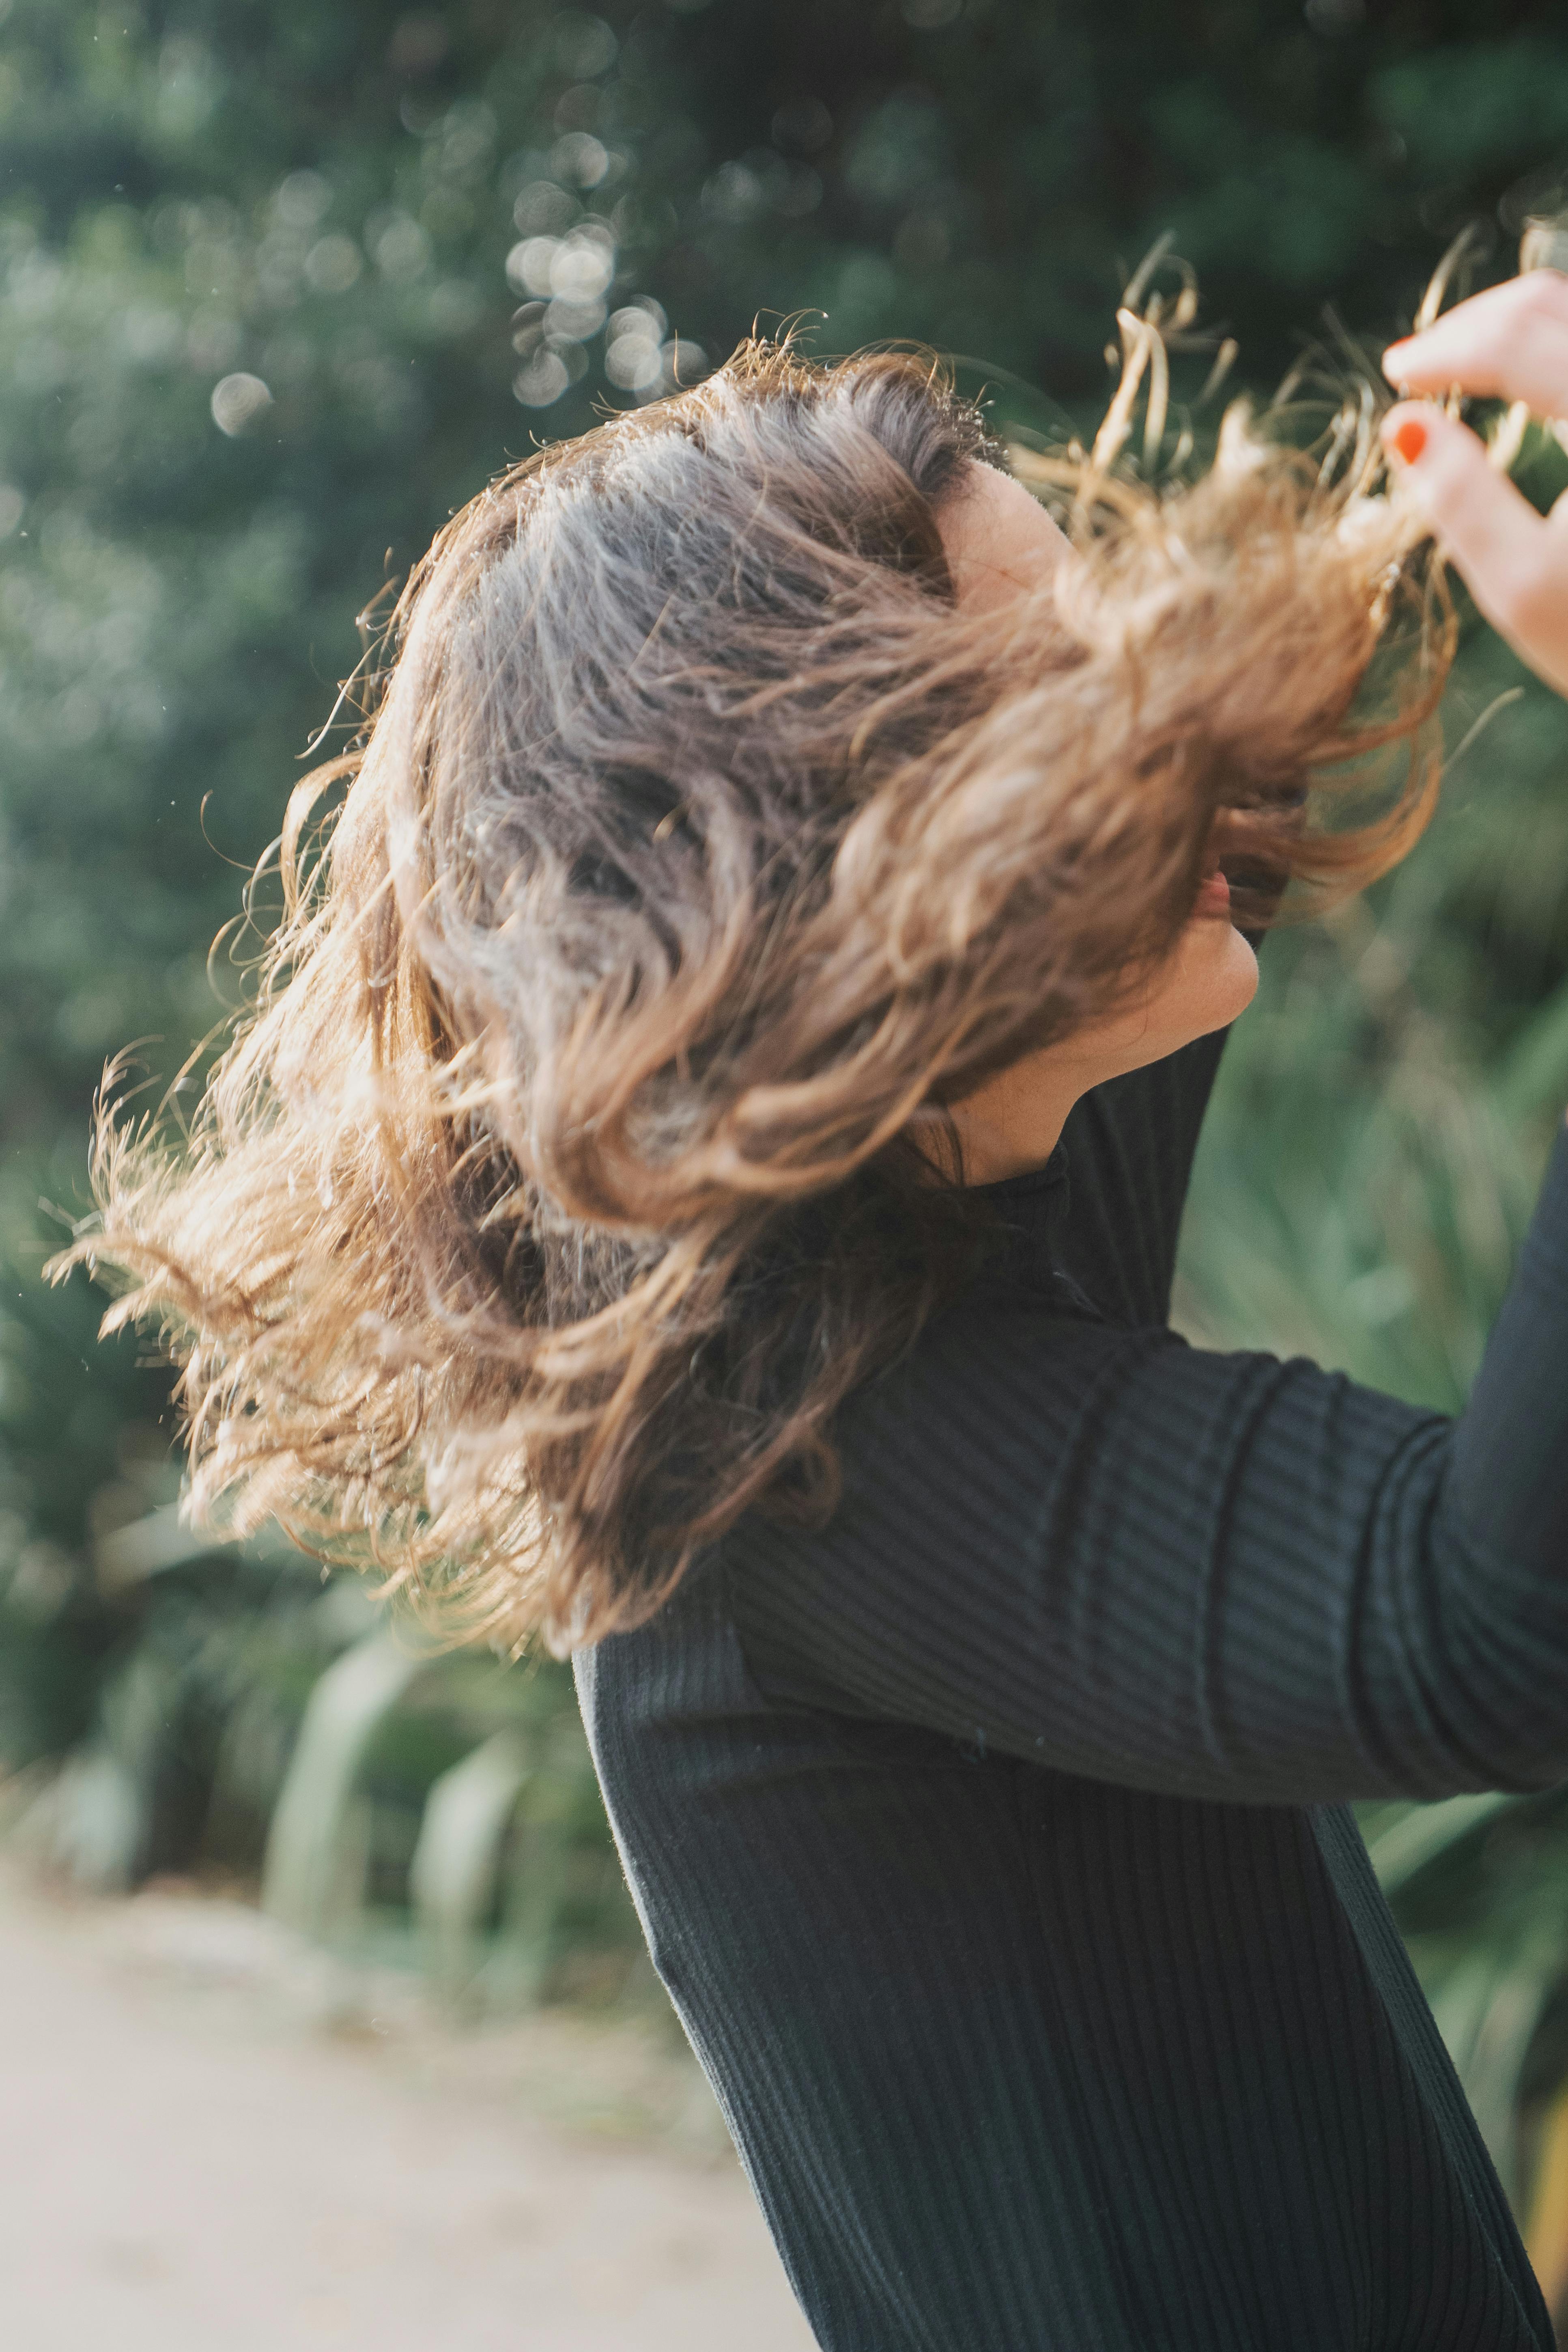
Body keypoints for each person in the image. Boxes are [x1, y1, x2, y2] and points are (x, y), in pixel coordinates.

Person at [67, 268, 1568, 2348]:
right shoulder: (780, 1477)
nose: (1158, 704)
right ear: (822, 853)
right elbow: (1498, 1625)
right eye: (1056, 685)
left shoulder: (960, 1192)